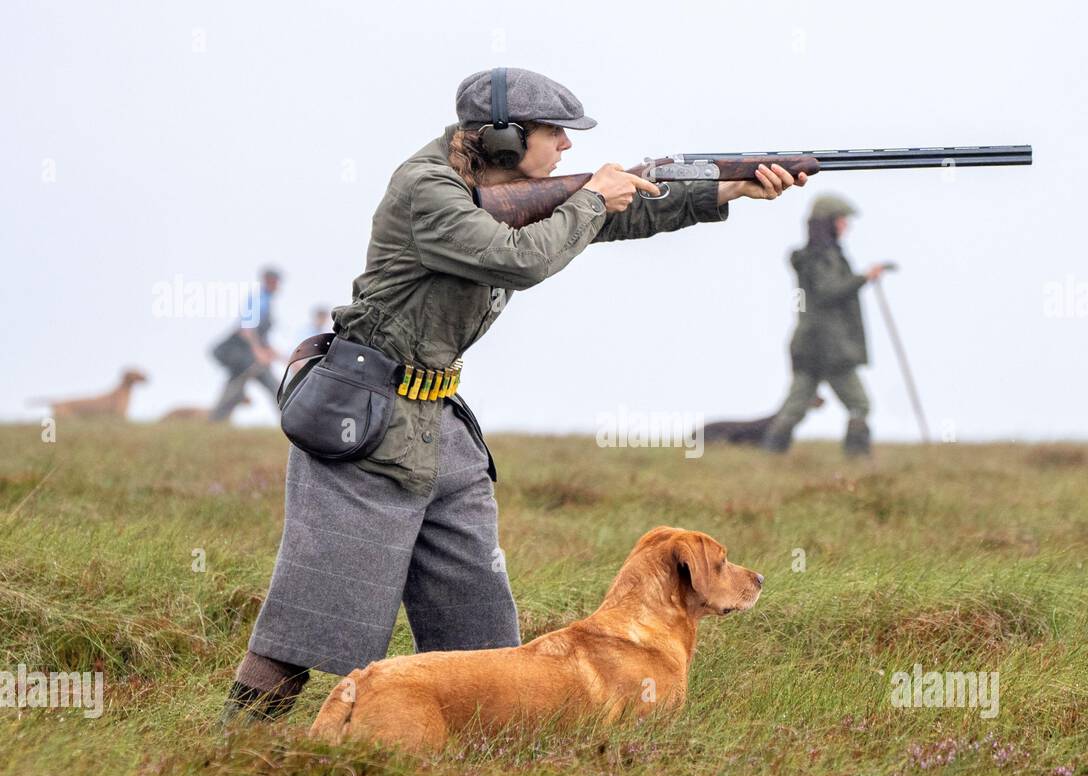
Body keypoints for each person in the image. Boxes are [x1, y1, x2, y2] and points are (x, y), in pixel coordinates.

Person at [220, 67, 808, 723]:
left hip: (440, 422)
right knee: (313, 617)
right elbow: (517, 259)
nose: (566, 147)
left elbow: (609, 215)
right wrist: (592, 198)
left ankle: (486, 774)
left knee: (484, 629)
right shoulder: (428, 189)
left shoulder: (511, 184)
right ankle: (234, 755)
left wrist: (719, 189)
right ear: (503, 137)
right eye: (554, 134)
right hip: (368, 423)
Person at [761, 194, 889, 456]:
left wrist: (861, 278)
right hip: (830, 346)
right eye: (842, 220)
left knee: (795, 407)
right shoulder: (824, 257)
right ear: (829, 223)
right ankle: (857, 460)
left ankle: (770, 454)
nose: (846, 226)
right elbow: (828, 291)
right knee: (859, 404)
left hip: (808, 342)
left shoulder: (813, 257)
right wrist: (863, 277)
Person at [209, 267, 287, 421]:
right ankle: (214, 421)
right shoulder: (259, 300)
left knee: (240, 388)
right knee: (240, 388)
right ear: (269, 281)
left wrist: (285, 358)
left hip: (251, 356)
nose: (278, 286)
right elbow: (247, 328)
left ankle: (215, 421)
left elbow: (263, 338)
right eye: (276, 282)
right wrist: (258, 351)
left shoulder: (267, 301)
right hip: (245, 356)